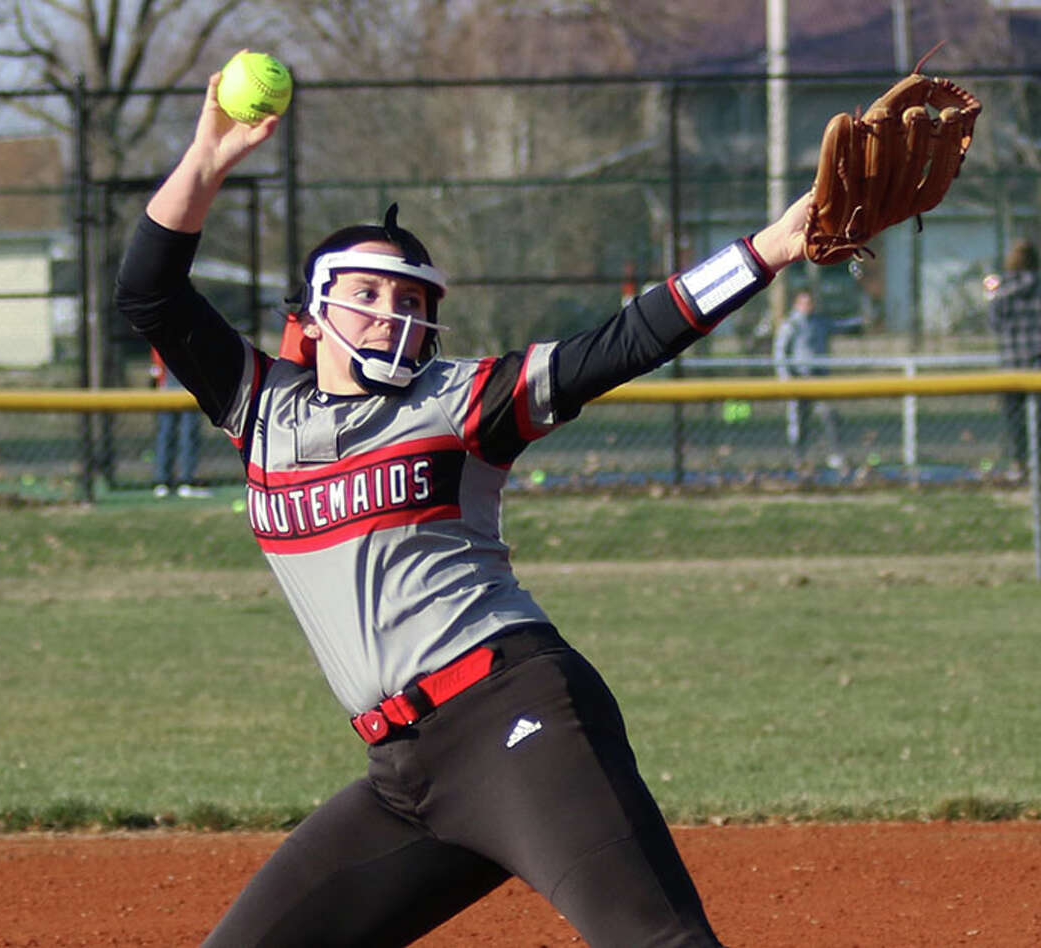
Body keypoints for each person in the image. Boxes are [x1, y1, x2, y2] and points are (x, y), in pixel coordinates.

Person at [115, 69, 811, 948]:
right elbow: (148, 292)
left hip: (516, 721)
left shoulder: (458, 400)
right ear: (313, 313)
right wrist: (210, 156)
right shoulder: (261, 407)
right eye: (367, 294)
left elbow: (626, 339)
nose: (392, 314)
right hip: (402, 779)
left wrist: (766, 251)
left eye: (411, 299)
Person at [772, 289, 862, 471]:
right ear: (796, 305)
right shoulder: (790, 325)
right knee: (799, 421)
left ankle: (836, 456)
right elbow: (780, 353)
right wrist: (786, 378)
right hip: (799, 379)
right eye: (804, 303)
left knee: (829, 415)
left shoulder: (819, 322)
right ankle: (799, 458)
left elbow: (840, 326)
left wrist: (860, 322)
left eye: (810, 303)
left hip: (819, 378)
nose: (808, 307)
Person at [986, 238, 1041, 481]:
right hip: (1038, 363)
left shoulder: (1002, 292)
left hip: (1012, 365)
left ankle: (1020, 464)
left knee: (1015, 421)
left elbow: (994, 325)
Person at [150, 346, 211, 498]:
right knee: (169, 431)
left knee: (185, 431)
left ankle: (182, 481)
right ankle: (166, 481)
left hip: (187, 374)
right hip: (174, 374)